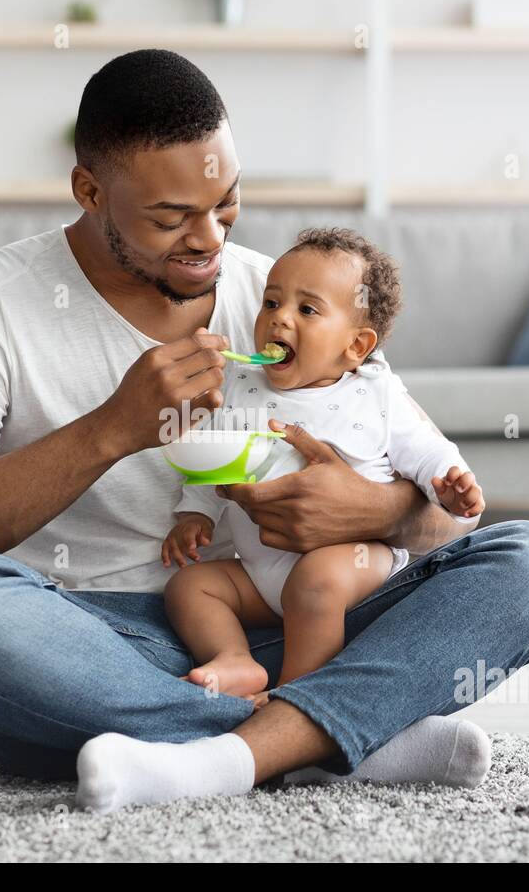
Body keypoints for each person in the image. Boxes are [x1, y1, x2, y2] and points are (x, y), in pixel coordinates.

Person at [0, 49, 529, 814]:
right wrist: (111, 430)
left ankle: (220, 749)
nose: (209, 240)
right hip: (92, 647)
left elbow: (444, 508)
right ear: (89, 191)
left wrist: (371, 511)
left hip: (301, 627)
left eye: (226, 203)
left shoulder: (288, 296)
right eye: (171, 218)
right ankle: (330, 737)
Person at [162, 227, 484, 701]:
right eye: (271, 304)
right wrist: (195, 514)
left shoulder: (374, 392)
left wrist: (449, 485)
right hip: (259, 575)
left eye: (307, 310)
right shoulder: (242, 384)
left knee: (316, 582)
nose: (279, 320)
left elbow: (424, 450)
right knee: (190, 587)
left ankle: (299, 697)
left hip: (351, 567)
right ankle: (235, 659)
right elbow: (217, 455)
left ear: (356, 346)